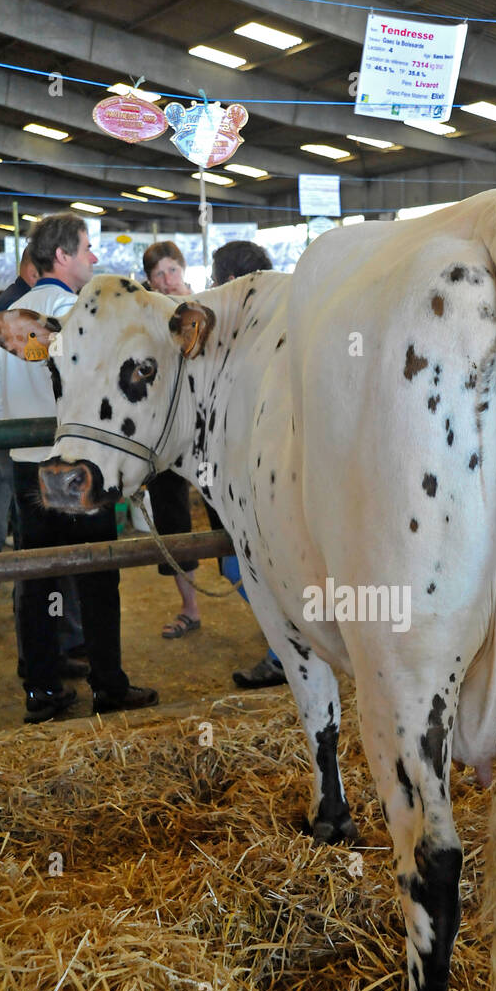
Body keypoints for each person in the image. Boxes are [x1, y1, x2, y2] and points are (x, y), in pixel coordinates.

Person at [0, 212, 158, 723]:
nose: (94, 257)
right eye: (86, 248)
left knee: (35, 580)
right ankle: (108, 684)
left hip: (26, 468)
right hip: (78, 468)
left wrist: (20, 443)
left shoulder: (12, 314)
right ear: (62, 255)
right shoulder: (79, 314)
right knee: (96, 579)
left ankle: (41, 690)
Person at [0, 246, 86, 664]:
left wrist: (9, 433)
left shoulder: (1, 308)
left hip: (6, 441)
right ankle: (61, 646)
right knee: (47, 551)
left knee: (12, 540)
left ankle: (19, 638)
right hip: (35, 449)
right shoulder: (31, 311)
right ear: (41, 269)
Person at [210, 240, 285, 689]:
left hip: (259, 466)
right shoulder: (285, 308)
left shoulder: (243, 327)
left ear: (233, 283)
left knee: (252, 562)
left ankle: (284, 650)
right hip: (273, 462)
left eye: (218, 283)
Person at [141, 241, 205, 640]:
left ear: (183, 271)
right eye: (158, 275)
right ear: (149, 280)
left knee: (226, 512)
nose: (166, 280)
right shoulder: (148, 317)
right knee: (171, 517)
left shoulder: (206, 310)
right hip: (165, 433)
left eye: (171, 271)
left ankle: (260, 602)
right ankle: (190, 607)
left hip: (206, 431)